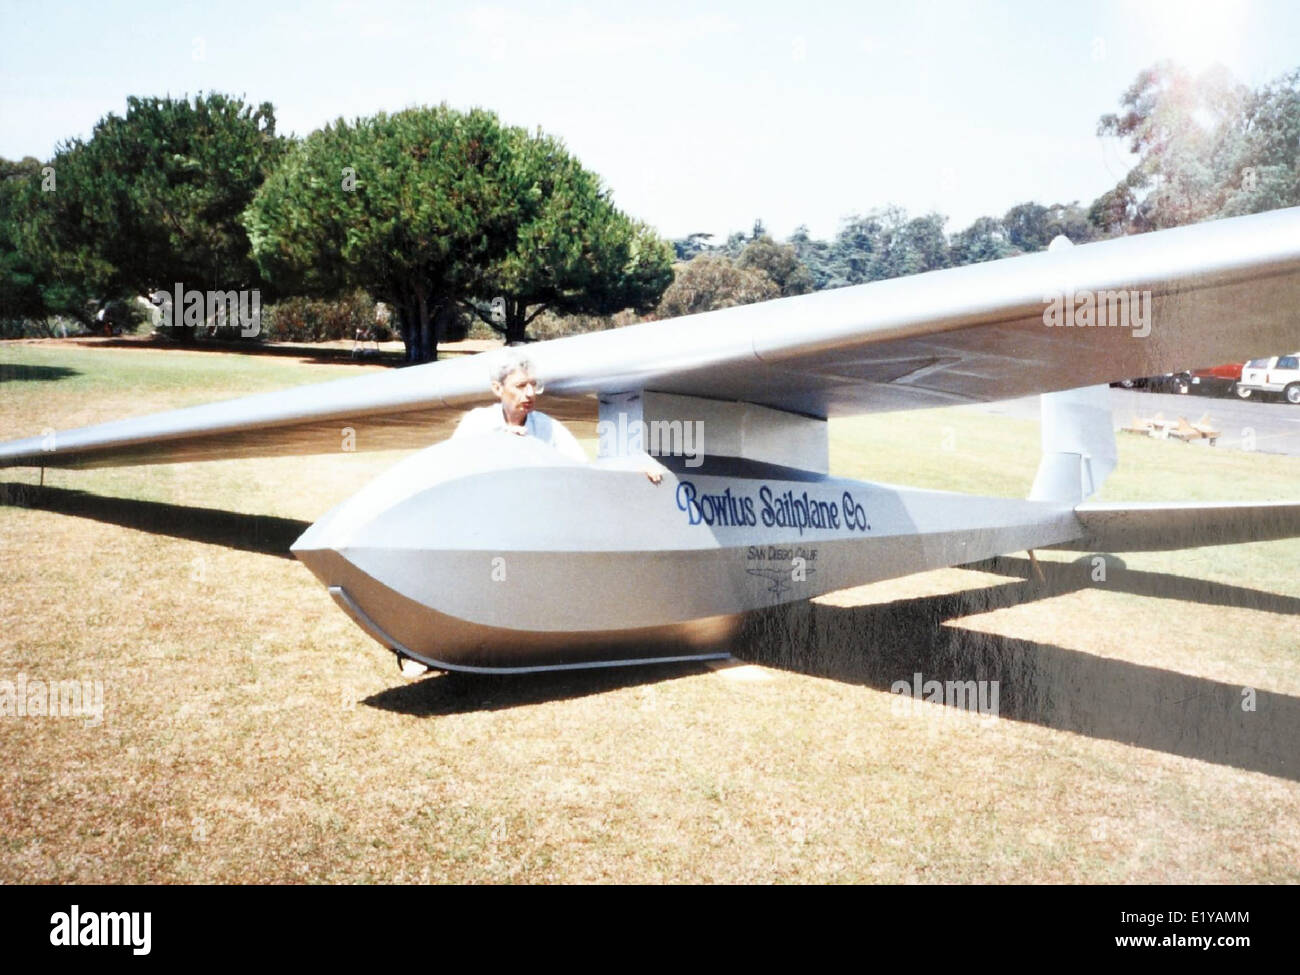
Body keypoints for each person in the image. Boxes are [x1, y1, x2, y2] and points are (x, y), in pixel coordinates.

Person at [453, 349, 662, 483]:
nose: (529, 393)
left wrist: (629, 470)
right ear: (498, 389)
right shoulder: (477, 422)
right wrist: (498, 441)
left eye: (533, 385)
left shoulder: (547, 427)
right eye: (520, 386)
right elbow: (452, 467)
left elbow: (586, 470)